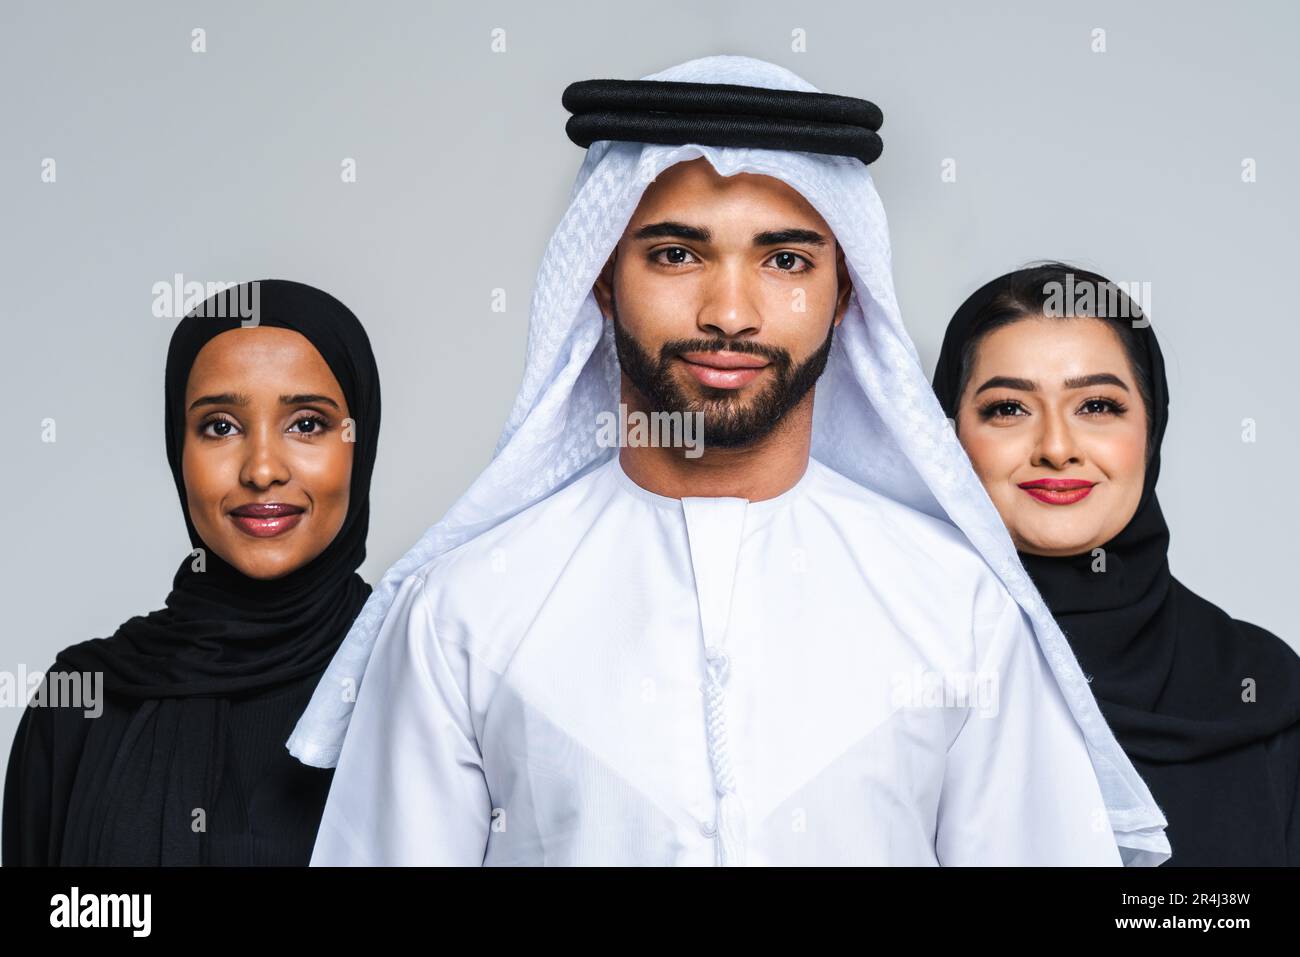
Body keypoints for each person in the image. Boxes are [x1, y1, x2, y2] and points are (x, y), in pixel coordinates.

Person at [292, 56, 1169, 866]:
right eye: (677, 254)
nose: (730, 311)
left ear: (844, 291)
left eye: (785, 259)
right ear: (602, 277)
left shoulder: (958, 609)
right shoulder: (466, 611)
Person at [931, 262, 1300, 865]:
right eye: (1008, 409)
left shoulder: (1259, 686)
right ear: (949, 435)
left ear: (1151, 429)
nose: (1056, 447)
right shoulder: (900, 664)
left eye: (1097, 405)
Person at [2, 279, 382, 865]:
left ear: (361, 443)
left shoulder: (419, 678)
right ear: (178, 449)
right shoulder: (83, 701)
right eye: (220, 426)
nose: (260, 470)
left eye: (306, 423)